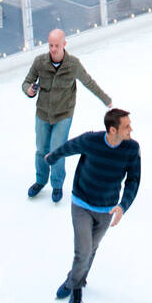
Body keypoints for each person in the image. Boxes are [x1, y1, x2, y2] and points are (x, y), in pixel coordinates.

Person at [45, 107, 140, 303]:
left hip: (105, 209)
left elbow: (133, 180)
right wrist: (52, 158)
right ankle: (75, 291)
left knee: (91, 249)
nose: (131, 130)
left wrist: (122, 206)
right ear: (112, 130)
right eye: (126, 126)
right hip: (81, 203)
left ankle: (75, 278)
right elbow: (69, 147)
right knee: (83, 251)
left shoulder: (132, 149)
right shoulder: (91, 141)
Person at [21, 29, 111, 203]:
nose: (53, 49)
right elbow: (26, 82)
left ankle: (57, 184)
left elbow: (89, 82)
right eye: (50, 45)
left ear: (64, 44)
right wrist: (29, 90)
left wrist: (105, 99)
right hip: (43, 113)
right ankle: (40, 180)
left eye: (56, 45)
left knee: (57, 149)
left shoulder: (73, 64)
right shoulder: (40, 62)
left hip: (63, 114)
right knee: (41, 149)